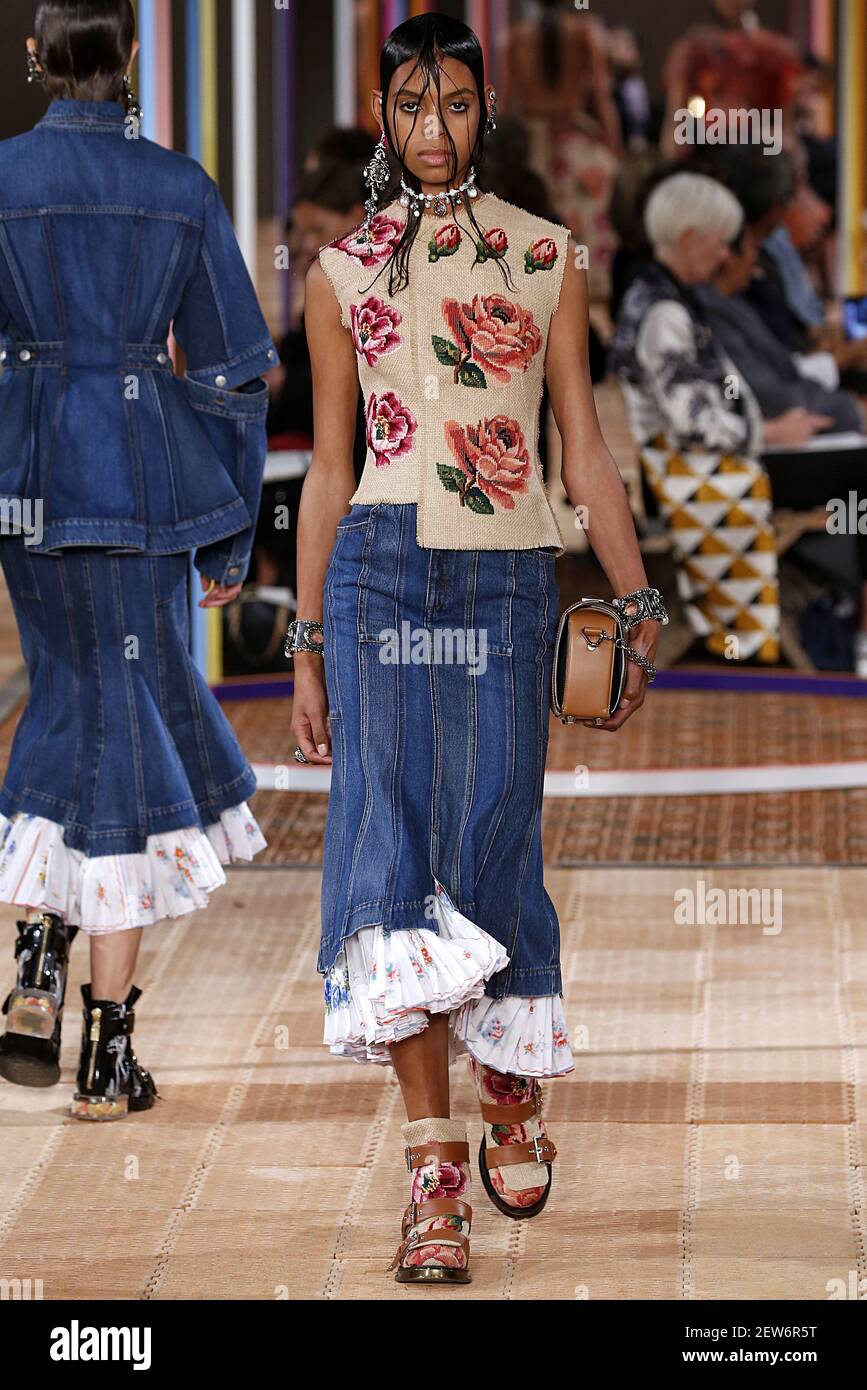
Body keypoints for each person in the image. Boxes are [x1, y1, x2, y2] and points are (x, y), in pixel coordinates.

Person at [290, 12, 666, 1284]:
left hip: (508, 571)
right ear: (383, 113)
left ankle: (514, 1093)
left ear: (481, 108)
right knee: (390, 849)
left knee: (499, 837)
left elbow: (584, 452)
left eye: (454, 104)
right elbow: (328, 473)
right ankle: (433, 1177)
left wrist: (636, 599)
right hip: (380, 576)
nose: (433, 130)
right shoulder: (340, 275)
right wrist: (301, 645)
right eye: (410, 106)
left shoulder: (541, 254)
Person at [0, 0, 276, 1117]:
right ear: (132, 60)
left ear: (35, 59)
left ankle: (35, 967)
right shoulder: (178, 187)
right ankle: (104, 1046)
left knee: (73, 699)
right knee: (122, 727)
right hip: (145, 485)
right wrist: (233, 525)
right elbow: (231, 372)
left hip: (28, 482)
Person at [610, 172, 833, 665]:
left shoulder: (664, 297)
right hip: (689, 469)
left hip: (701, 460)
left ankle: (822, 620)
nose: (728, 256)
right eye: (721, 243)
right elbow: (694, 420)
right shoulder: (663, 311)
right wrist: (770, 431)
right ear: (690, 238)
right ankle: (815, 628)